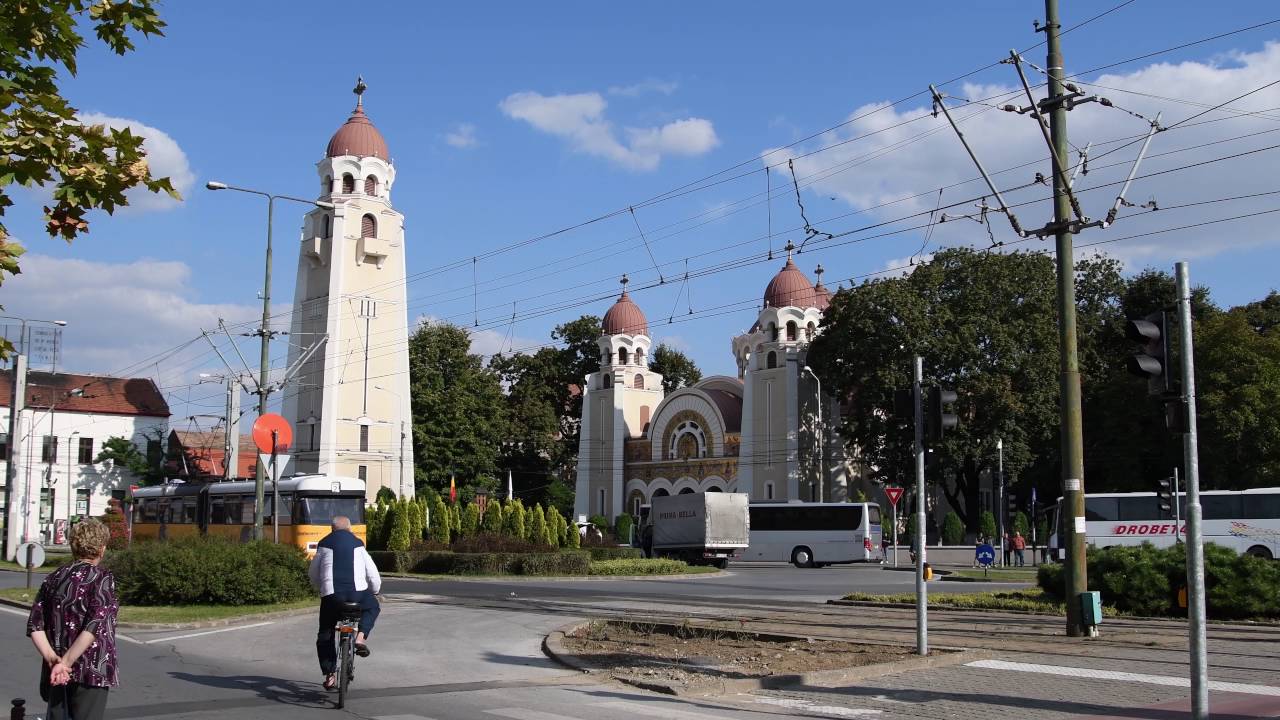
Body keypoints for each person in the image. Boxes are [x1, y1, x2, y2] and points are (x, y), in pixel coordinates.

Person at [26, 518, 119, 720]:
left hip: (56, 670)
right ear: (101, 549)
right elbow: (93, 626)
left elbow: (35, 625)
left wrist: (54, 661)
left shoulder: (53, 577)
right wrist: (66, 663)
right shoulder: (102, 577)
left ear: (73, 546)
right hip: (90, 670)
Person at [310, 515, 382, 691]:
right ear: (350, 528)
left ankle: (330, 676)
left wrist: (322, 589)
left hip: (332, 597)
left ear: (332, 529)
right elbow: (372, 573)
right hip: (357, 595)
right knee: (373, 606)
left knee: (325, 633)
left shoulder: (324, 543)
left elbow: (313, 573)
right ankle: (360, 638)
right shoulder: (358, 544)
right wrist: (374, 590)